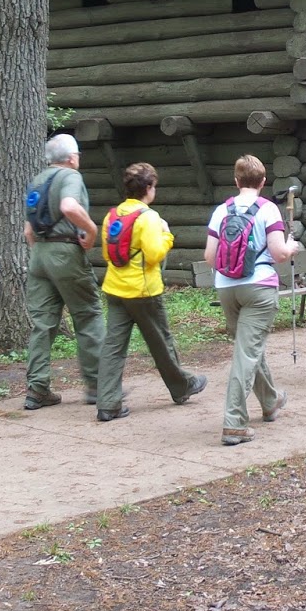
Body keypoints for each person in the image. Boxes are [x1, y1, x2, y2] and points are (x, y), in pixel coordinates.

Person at [94, 163, 206, 422]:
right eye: (154, 186)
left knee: (113, 347)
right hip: (144, 292)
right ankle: (182, 387)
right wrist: (167, 235)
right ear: (148, 188)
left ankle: (108, 404)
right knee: (161, 343)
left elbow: (106, 253)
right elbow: (155, 254)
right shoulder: (148, 218)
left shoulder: (112, 216)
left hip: (115, 290)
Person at [205, 156, 299, 446]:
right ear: (262, 182)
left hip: (226, 289)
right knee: (246, 354)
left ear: (236, 181)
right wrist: (292, 246)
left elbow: (210, 257)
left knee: (249, 348)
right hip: (258, 288)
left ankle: (270, 401)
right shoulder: (268, 210)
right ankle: (234, 423)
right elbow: (280, 254)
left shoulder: (222, 211)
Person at [22, 133, 105, 410]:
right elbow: (68, 206)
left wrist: (41, 252)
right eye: (78, 155)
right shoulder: (70, 176)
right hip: (65, 253)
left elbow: (28, 230)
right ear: (71, 157)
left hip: (39, 256)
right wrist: (91, 230)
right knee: (88, 314)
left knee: (43, 324)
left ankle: (37, 389)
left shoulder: (37, 180)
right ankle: (97, 386)